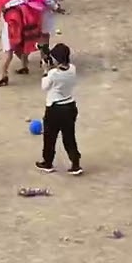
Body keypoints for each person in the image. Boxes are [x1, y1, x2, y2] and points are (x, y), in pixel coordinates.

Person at [36, 43, 80, 175]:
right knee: (69, 137)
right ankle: (76, 163)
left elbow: (45, 86)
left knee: (50, 137)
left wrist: (45, 70)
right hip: (70, 106)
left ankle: (48, 162)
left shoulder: (53, 74)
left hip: (55, 109)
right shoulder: (72, 69)